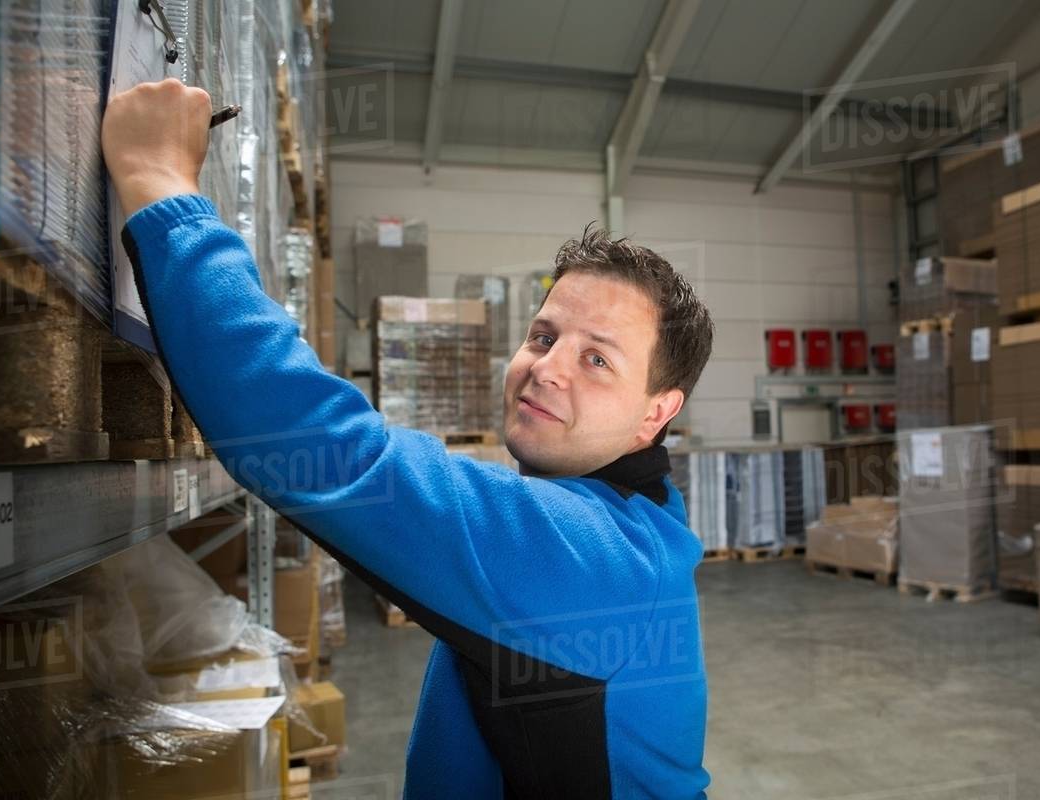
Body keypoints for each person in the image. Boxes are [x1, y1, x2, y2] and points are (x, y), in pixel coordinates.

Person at [102, 78, 715, 799]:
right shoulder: (634, 522)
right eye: (542, 336)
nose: (545, 369)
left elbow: (322, 445)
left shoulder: (591, 557)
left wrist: (160, 184)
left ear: (656, 413)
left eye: (596, 359)